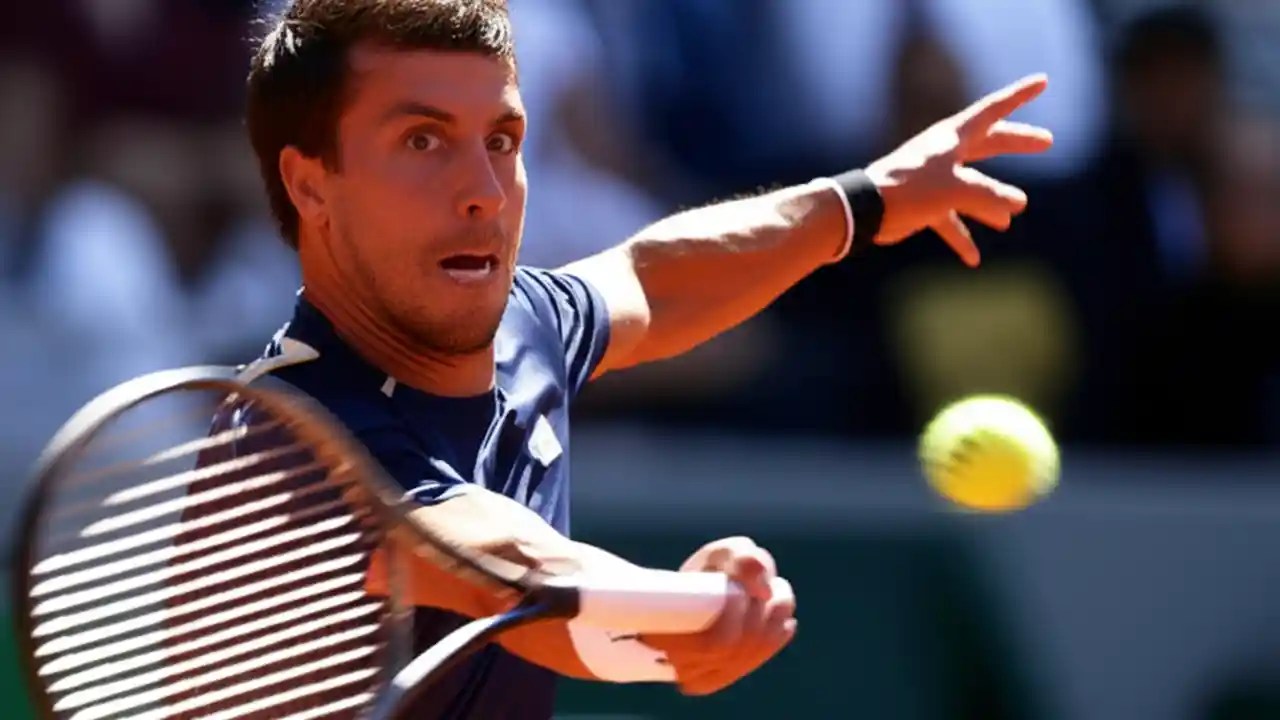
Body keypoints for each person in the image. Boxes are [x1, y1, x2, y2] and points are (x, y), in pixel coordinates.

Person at [237, 0, 1053, 717]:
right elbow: (500, 565)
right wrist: (680, 612)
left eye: (503, 139)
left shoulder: (523, 324)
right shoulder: (289, 435)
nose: (483, 188)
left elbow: (647, 278)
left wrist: (861, 200)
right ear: (313, 187)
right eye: (423, 140)